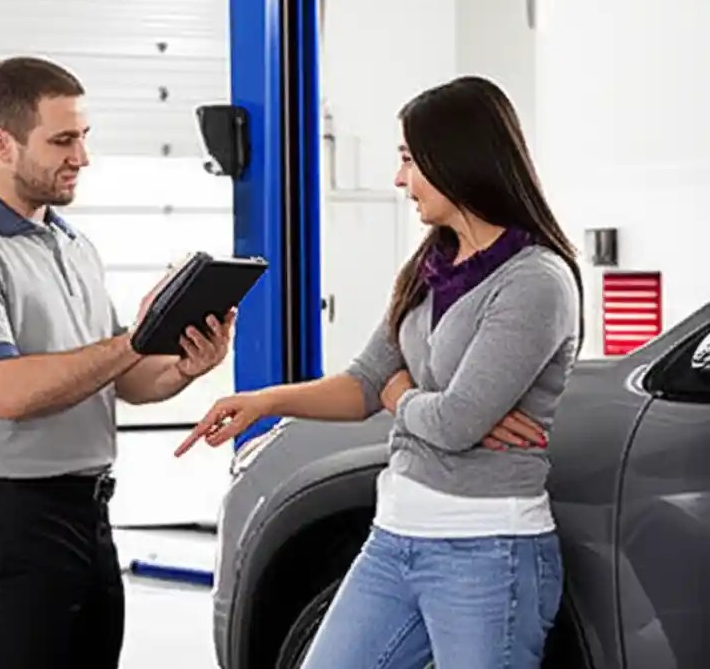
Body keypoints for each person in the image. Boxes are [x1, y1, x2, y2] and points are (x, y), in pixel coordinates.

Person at [176, 75, 584, 668]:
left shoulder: (535, 281)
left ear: (457, 158)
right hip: (395, 538)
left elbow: (451, 423)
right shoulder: (432, 266)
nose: (399, 179)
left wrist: (403, 394)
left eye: (409, 161)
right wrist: (263, 402)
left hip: (487, 551)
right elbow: (366, 381)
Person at [0, 55, 235, 669]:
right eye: (62, 140)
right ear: (1, 144)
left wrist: (183, 367)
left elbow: (125, 378)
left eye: (84, 138)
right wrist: (133, 340)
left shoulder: (72, 245)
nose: (81, 157)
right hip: (8, 524)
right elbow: (7, 392)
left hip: (88, 517)